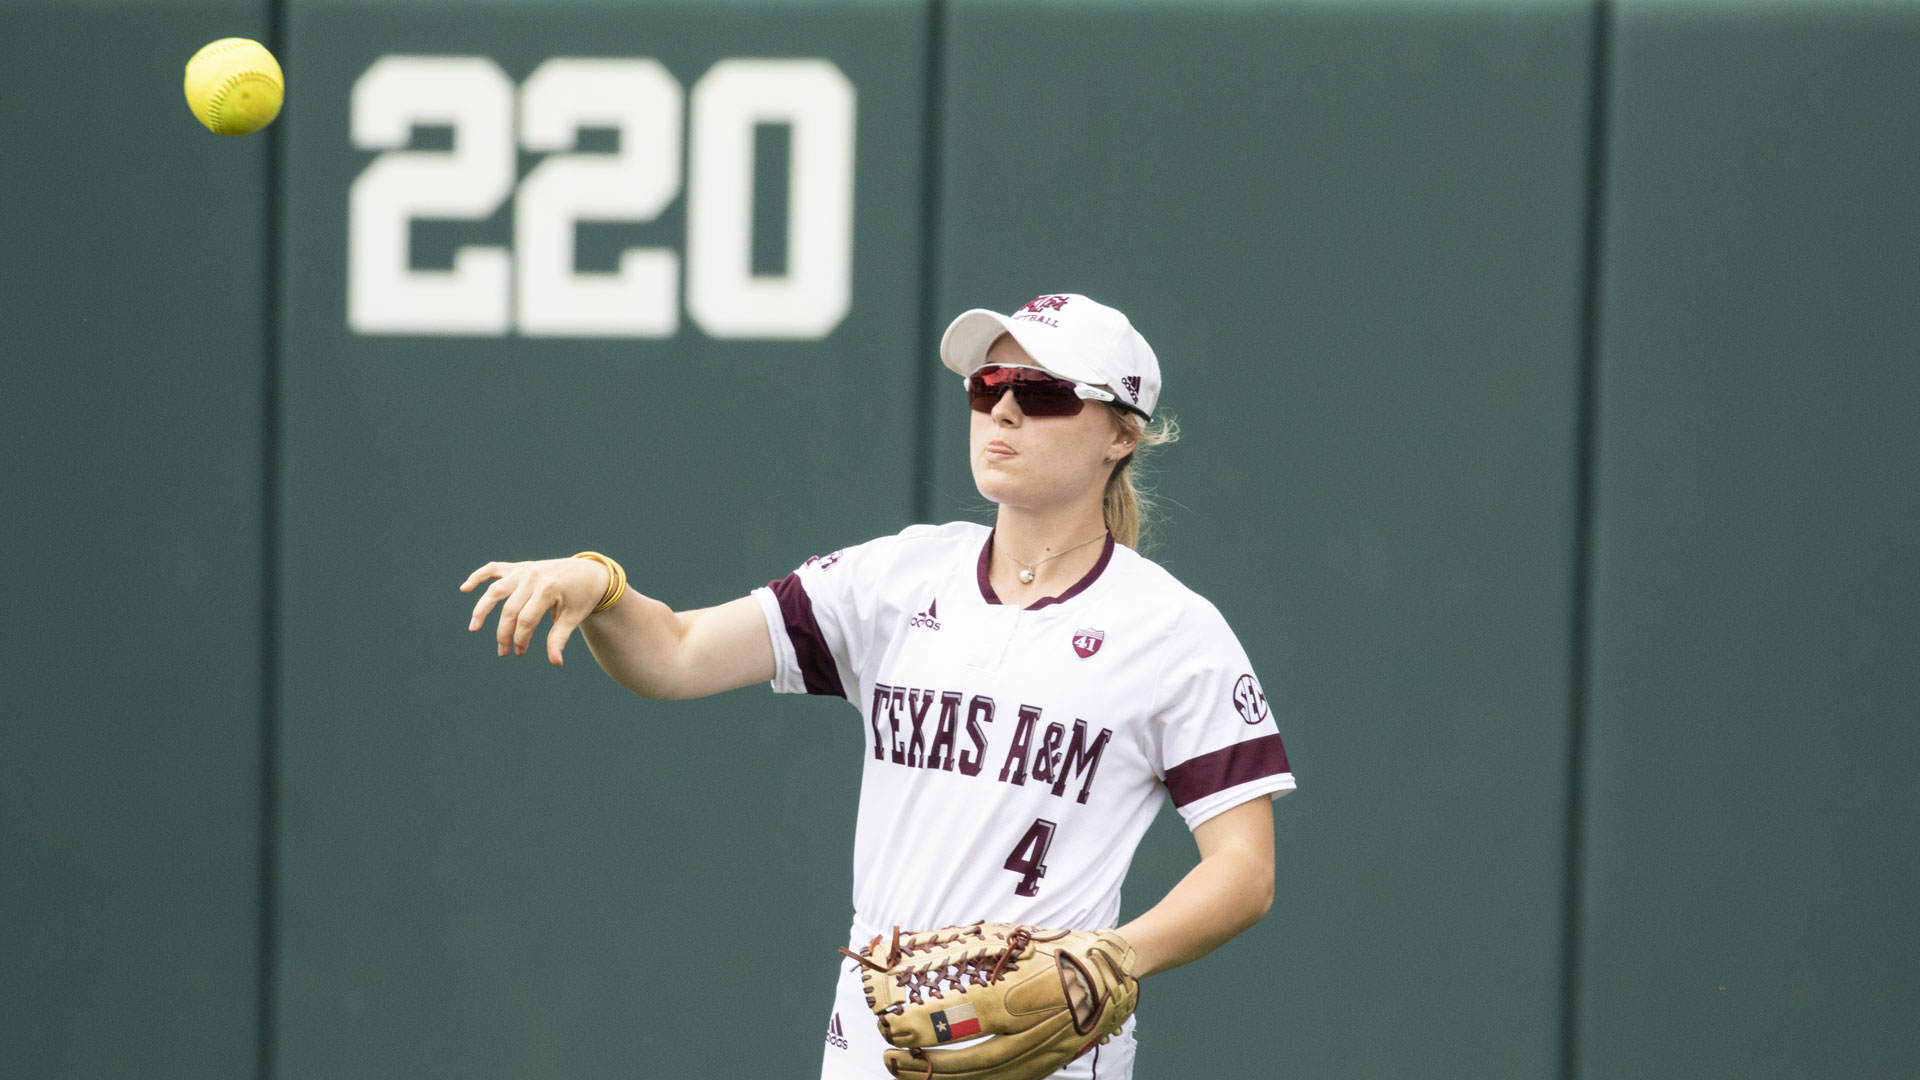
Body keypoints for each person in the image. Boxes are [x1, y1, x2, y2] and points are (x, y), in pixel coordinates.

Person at [461, 293, 1295, 1080]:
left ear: (1121, 434)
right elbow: (676, 653)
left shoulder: (1173, 632)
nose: (1001, 410)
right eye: (988, 384)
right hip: (872, 1047)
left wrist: (1116, 955)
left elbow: (1244, 871)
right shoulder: (899, 577)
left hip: (1045, 1051)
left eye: (1041, 392)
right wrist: (599, 584)